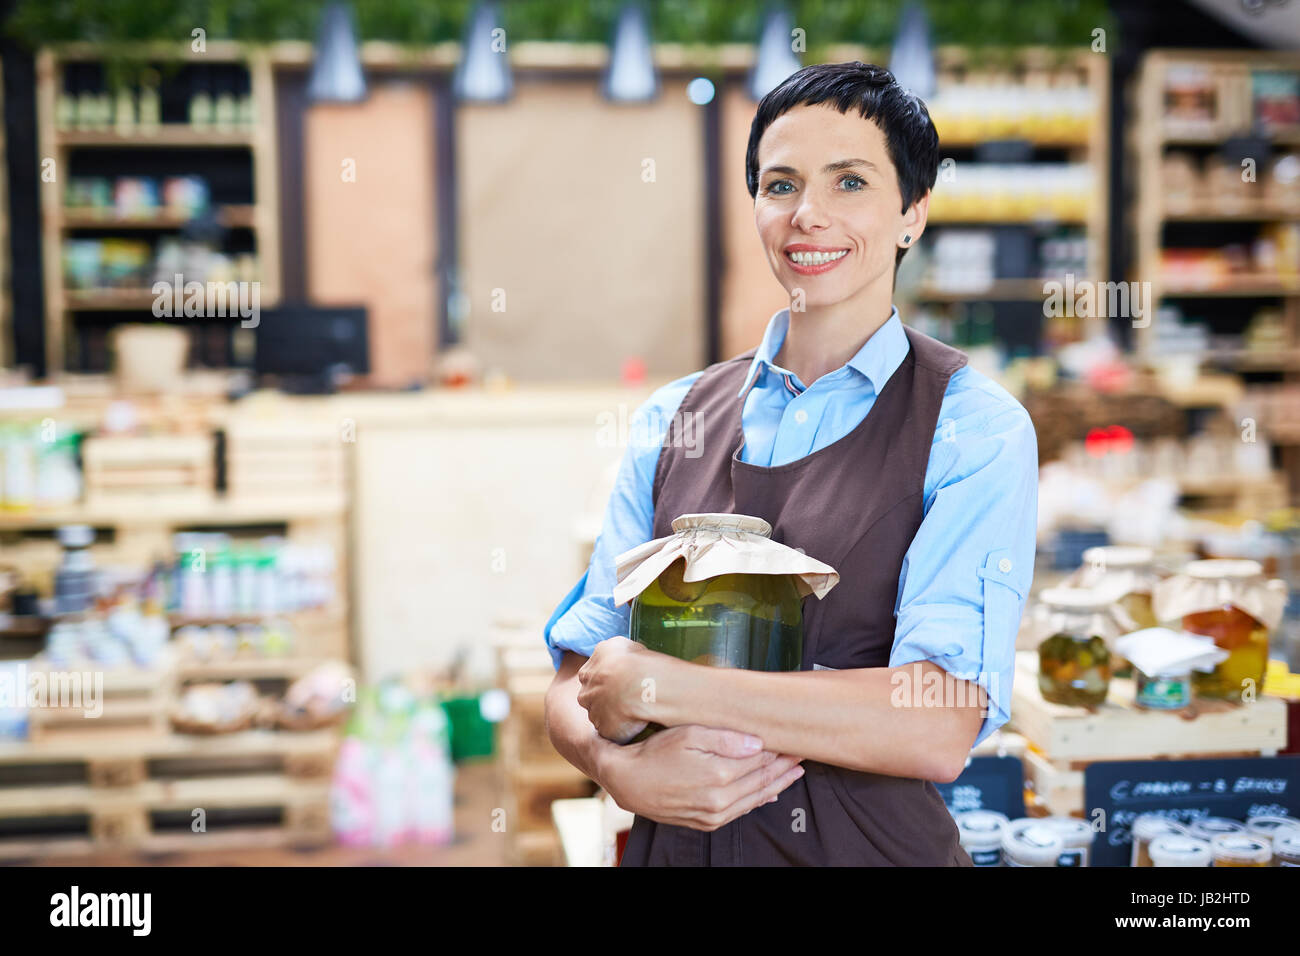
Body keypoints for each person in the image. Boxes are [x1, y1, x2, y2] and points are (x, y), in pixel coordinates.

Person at [542, 61, 1038, 866]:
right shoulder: (675, 418)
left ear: (912, 212)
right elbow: (578, 676)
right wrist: (614, 768)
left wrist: (671, 688)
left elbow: (938, 720)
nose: (809, 214)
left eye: (851, 182)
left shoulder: (972, 428)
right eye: (781, 185)